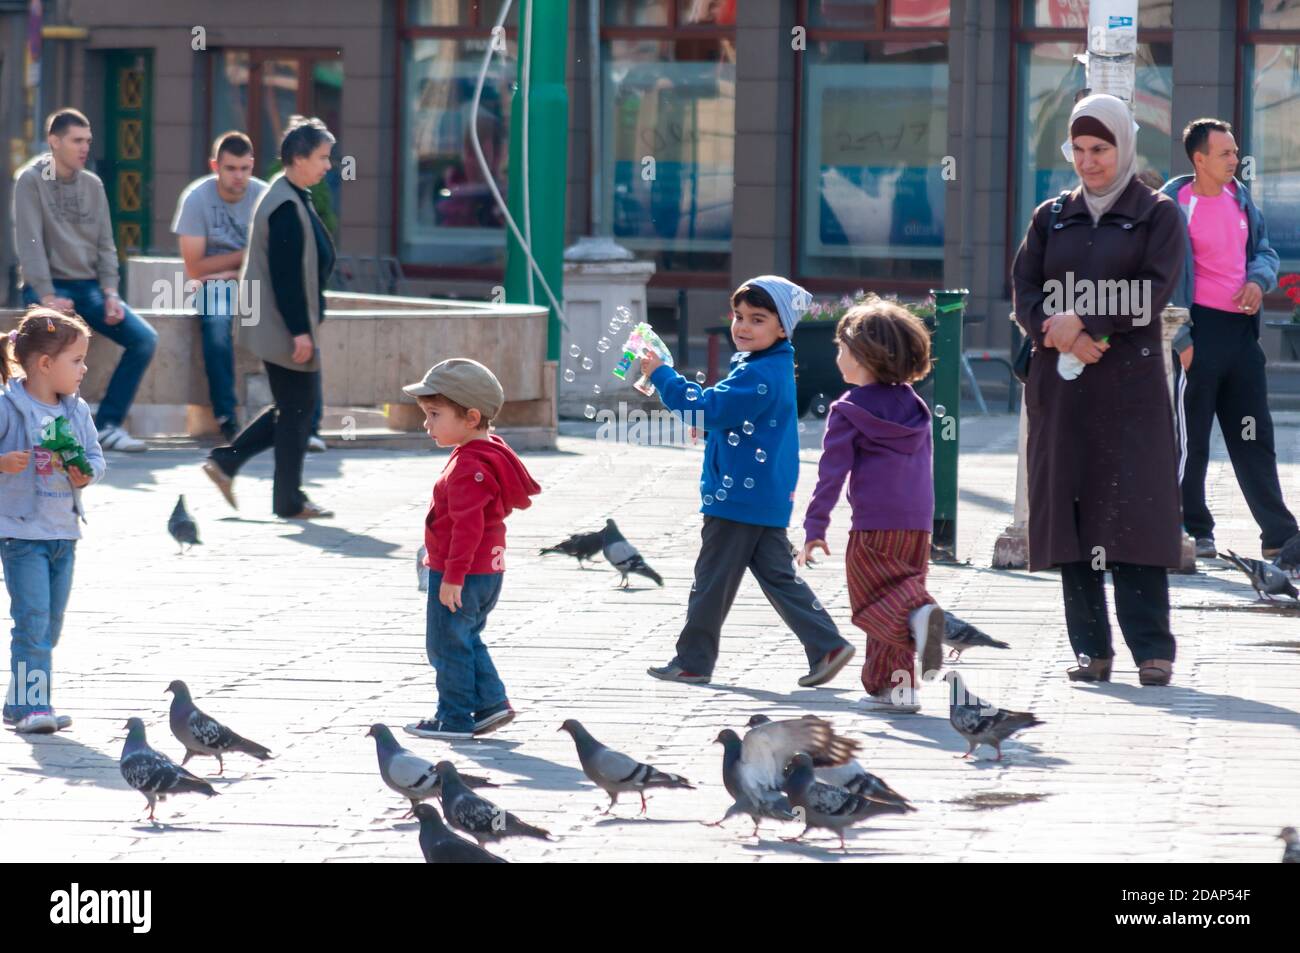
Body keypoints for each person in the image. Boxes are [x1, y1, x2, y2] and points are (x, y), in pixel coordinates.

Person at [1012, 93, 1185, 687]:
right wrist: (1054, 330)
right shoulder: (1051, 215)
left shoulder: (1157, 213)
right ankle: (1092, 651)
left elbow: (1151, 291)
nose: (1088, 162)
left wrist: (1081, 324)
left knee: (1136, 510)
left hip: (1128, 387)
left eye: (1100, 150)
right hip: (1063, 389)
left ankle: (1153, 650)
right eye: (1079, 150)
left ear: (1125, 147)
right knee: (1072, 514)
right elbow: (1025, 288)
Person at [640, 275, 856, 687]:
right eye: (739, 316)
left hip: (738, 495)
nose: (742, 327)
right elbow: (731, 417)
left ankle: (693, 661)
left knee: (712, 579)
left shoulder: (758, 373)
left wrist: (664, 376)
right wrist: (714, 427)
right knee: (779, 577)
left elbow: (710, 408)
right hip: (763, 493)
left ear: (782, 328)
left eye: (757, 319)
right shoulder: (764, 366)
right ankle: (827, 645)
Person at [1160, 118, 1298, 561]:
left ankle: (1280, 535)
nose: (1235, 160)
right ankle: (1191, 528)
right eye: (1225, 153)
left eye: (1235, 152)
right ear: (1199, 159)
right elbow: (1158, 274)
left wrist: (1259, 281)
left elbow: (1265, 251)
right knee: (1192, 441)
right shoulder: (1173, 206)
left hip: (1241, 337)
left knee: (1253, 435)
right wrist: (1181, 339)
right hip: (1200, 332)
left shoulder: (1241, 198)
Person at [799, 298, 944, 713]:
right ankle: (896, 689)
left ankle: (922, 617)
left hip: (873, 525)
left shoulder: (847, 411)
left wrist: (815, 527)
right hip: (917, 524)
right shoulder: (916, 406)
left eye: (841, 347)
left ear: (862, 356)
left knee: (871, 603)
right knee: (896, 593)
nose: (837, 355)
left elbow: (831, 474)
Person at [202, 116, 336, 519]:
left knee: (293, 408)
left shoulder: (291, 194)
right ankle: (281, 495)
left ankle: (237, 469)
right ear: (298, 159)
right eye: (323, 157)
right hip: (283, 325)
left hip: (284, 323)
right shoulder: (284, 204)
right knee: (298, 408)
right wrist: (299, 331)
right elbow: (286, 277)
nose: (328, 166)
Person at [402, 358, 540, 740]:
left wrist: (452, 576)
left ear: (471, 417)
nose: (426, 424)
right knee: (466, 638)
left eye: (434, 414)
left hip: (463, 572)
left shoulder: (469, 465)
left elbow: (468, 526)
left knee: (446, 646)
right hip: (486, 572)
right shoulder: (489, 450)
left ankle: (456, 718)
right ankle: (492, 704)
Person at [12, 108, 157, 452]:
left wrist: (111, 293)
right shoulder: (30, 179)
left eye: (88, 141)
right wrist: (47, 297)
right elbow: (29, 243)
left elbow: (107, 245)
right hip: (47, 285)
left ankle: (107, 425)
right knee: (55, 344)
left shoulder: (93, 184)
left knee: (144, 339)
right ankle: (49, 431)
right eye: (77, 141)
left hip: (90, 287)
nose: (84, 148)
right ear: (54, 142)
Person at [0, 308, 105, 733]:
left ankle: (16, 701)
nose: (84, 369)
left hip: (65, 533)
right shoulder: (9, 408)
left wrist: (88, 472)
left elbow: (96, 456)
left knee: (51, 624)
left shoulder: (76, 412)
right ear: (45, 364)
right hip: (21, 533)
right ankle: (32, 706)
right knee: (34, 622)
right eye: (77, 360)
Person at [171, 131, 269, 442]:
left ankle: (302, 421)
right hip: (215, 287)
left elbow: (277, 257)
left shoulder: (265, 196)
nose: (238, 176)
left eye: (244, 168)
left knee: (300, 318)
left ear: (252, 166)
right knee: (215, 324)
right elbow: (195, 268)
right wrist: (247, 257)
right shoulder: (196, 198)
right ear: (215, 166)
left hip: (257, 282)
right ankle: (226, 416)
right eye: (230, 168)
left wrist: (234, 269)